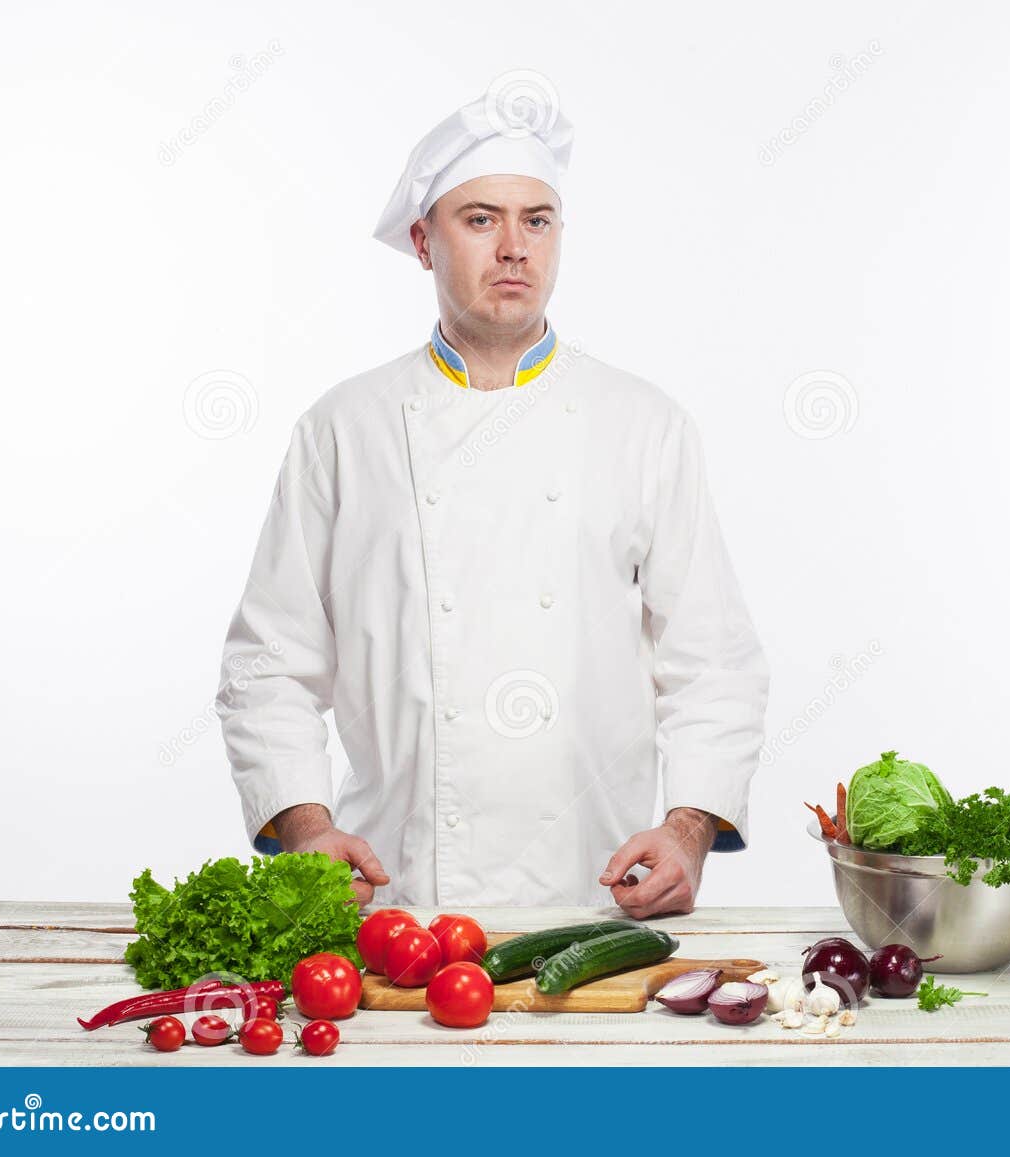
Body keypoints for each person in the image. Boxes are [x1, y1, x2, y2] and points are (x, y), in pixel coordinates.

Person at [214, 93, 769, 917]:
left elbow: (713, 662)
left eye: (537, 221)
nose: (514, 248)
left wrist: (688, 829)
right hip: (394, 898)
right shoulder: (343, 429)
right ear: (422, 241)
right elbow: (268, 664)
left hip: (599, 893)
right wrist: (303, 827)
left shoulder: (644, 424)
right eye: (480, 219)